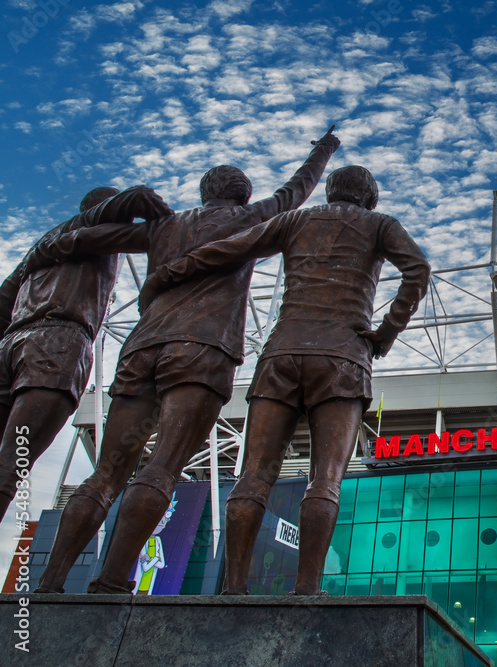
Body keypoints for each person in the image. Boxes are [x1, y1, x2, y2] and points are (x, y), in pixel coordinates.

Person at [33, 125, 340, 594]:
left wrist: (59, 240)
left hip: (142, 347)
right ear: (243, 196)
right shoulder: (250, 218)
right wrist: (324, 149)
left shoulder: (164, 225)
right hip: (201, 350)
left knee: (107, 472)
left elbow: (89, 237)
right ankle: (112, 581)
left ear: (204, 190)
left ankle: (50, 585)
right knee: (163, 467)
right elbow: (296, 190)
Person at [144, 165, 430, 595]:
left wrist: (171, 272)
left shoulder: (296, 219)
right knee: (325, 478)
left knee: (254, 474)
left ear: (331, 190)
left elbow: (230, 249)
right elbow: (418, 270)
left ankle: (233, 587)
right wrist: (386, 332)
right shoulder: (380, 224)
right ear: (369, 198)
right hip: (343, 356)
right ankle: (307, 587)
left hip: (280, 353)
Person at [0, 185, 171, 522]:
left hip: (11, 345)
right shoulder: (88, 230)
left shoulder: (43, 244)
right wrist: (172, 224)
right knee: (12, 463)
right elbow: (136, 196)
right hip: (56, 346)